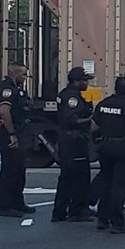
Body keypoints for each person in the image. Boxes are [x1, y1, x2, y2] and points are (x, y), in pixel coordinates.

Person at [91, 76, 125, 234]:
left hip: (105, 146)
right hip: (123, 148)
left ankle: (102, 219)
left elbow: (94, 127)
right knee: (119, 185)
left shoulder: (103, 104)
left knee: (106, 182)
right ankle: (117, 222)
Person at [52, 67, 95, 222]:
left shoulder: (67, 94)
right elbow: (73, 120)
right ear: (76, 81)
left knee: (68, 177)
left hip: (69, 141)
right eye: (84, 80)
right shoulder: (72, 97)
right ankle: (76, 211)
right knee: (78, 177)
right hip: (74, 141)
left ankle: (61, 211)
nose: (86, 83)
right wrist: (92, 119)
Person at [0, 63, 33, 218]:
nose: (24, 78)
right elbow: (4, 112)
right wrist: (11, 133)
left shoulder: (17, 89)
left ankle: (18, 202)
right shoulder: (7, 89)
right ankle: (5, 206)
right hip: (10, 133)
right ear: (15, 73)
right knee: (9, 170)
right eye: (23, 74)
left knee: (19, 169)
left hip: (19, 131)